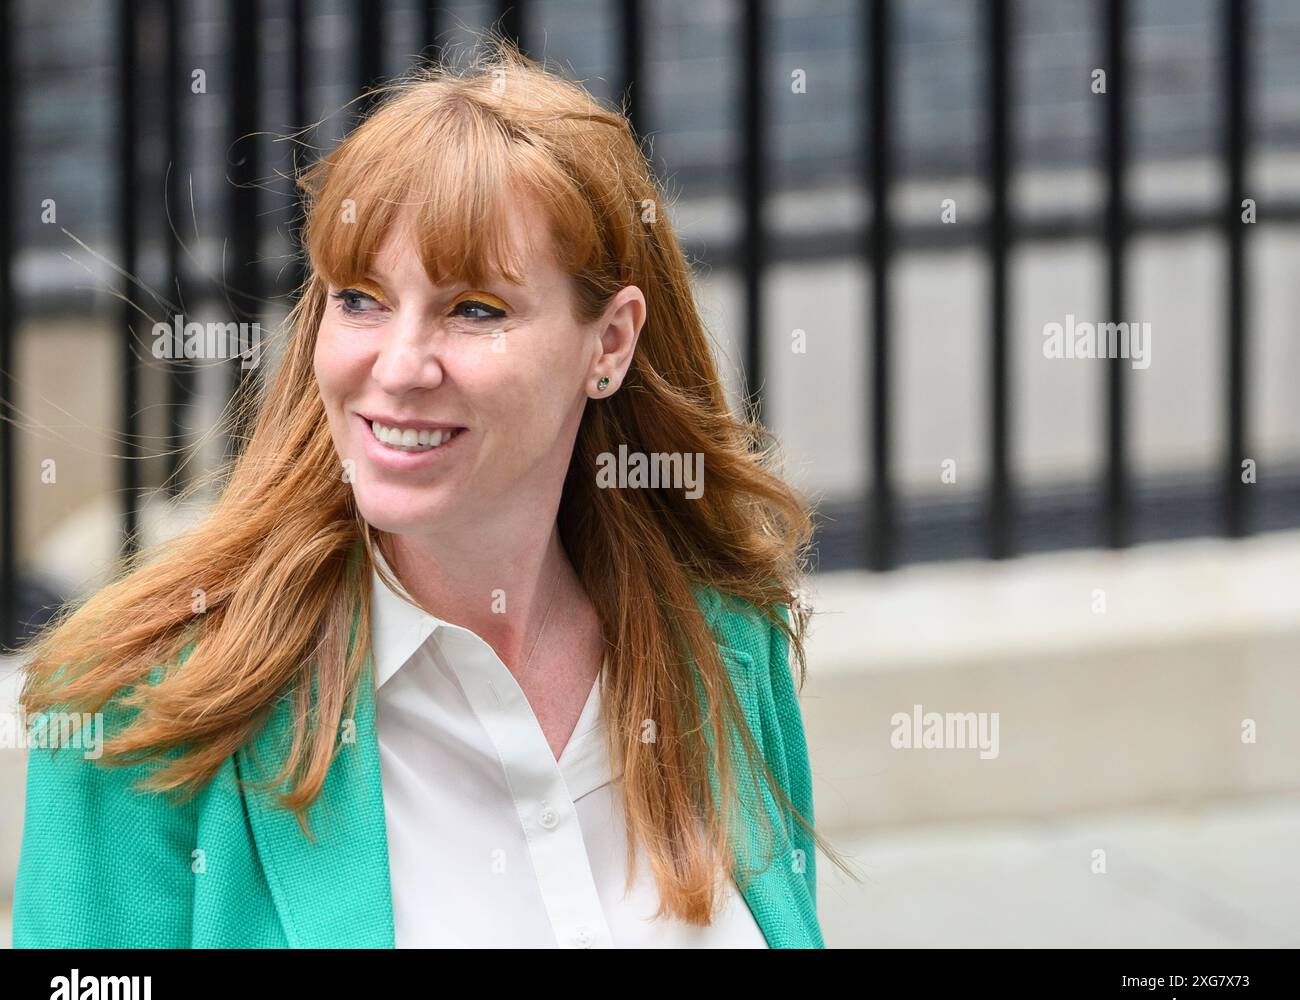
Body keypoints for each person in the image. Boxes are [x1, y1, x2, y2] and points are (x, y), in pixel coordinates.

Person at [13, 38, 838, 949]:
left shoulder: (726, 648)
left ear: (608, 345)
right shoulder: (138, 714)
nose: (398, 368)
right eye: (360, 299)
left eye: (475, 308)